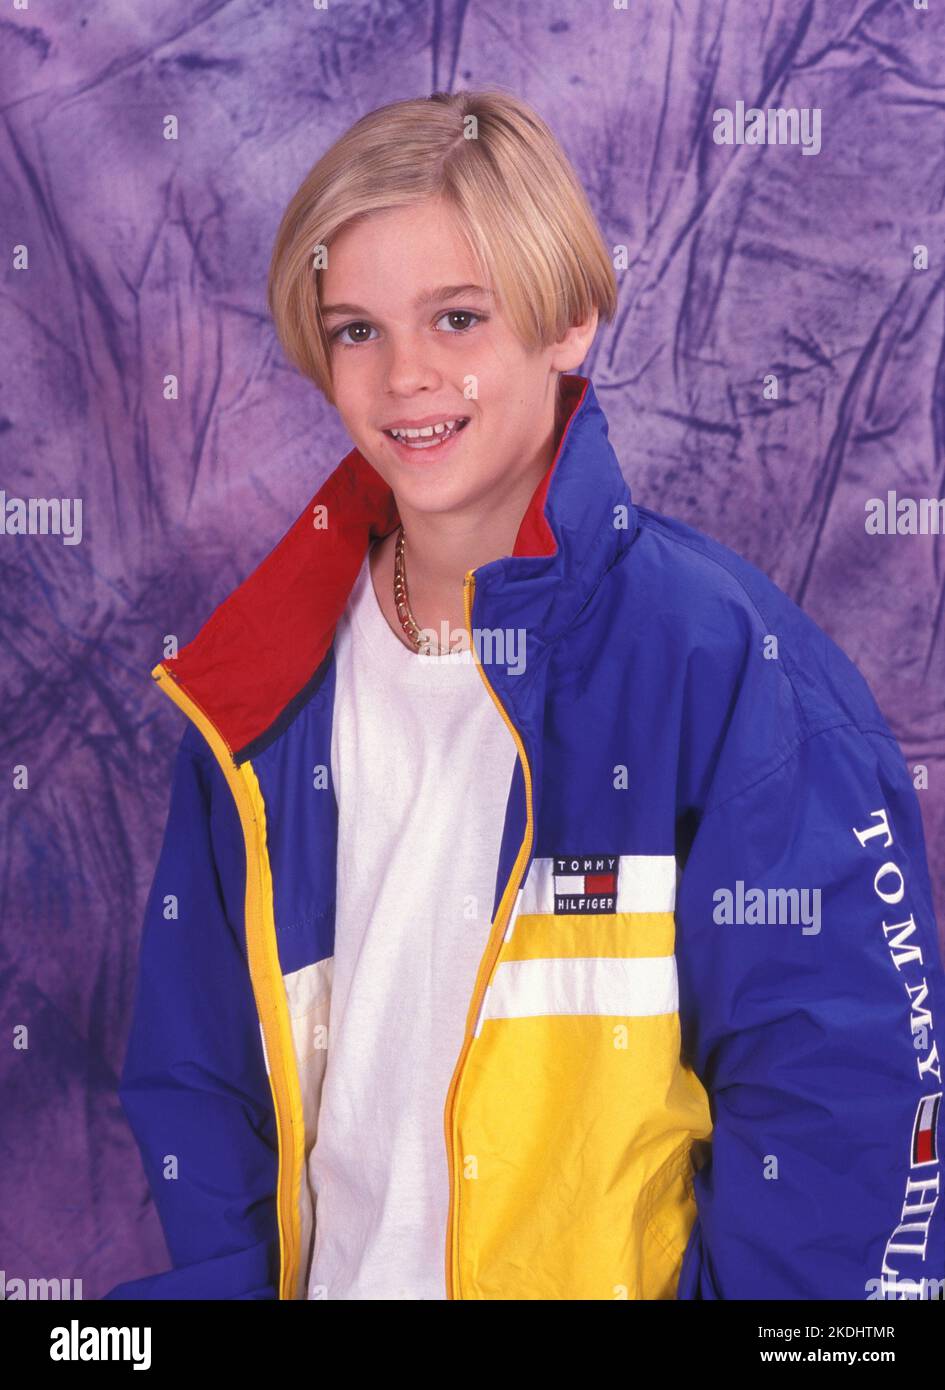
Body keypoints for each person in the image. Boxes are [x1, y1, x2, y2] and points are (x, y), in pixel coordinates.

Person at [105, 89, 944, 1301]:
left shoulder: (726, 674)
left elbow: (844, 1119)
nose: (406, 378)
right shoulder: (254, 693)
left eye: (457, 317)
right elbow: (201, 1084)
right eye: (356, 330)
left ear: (571, 322)